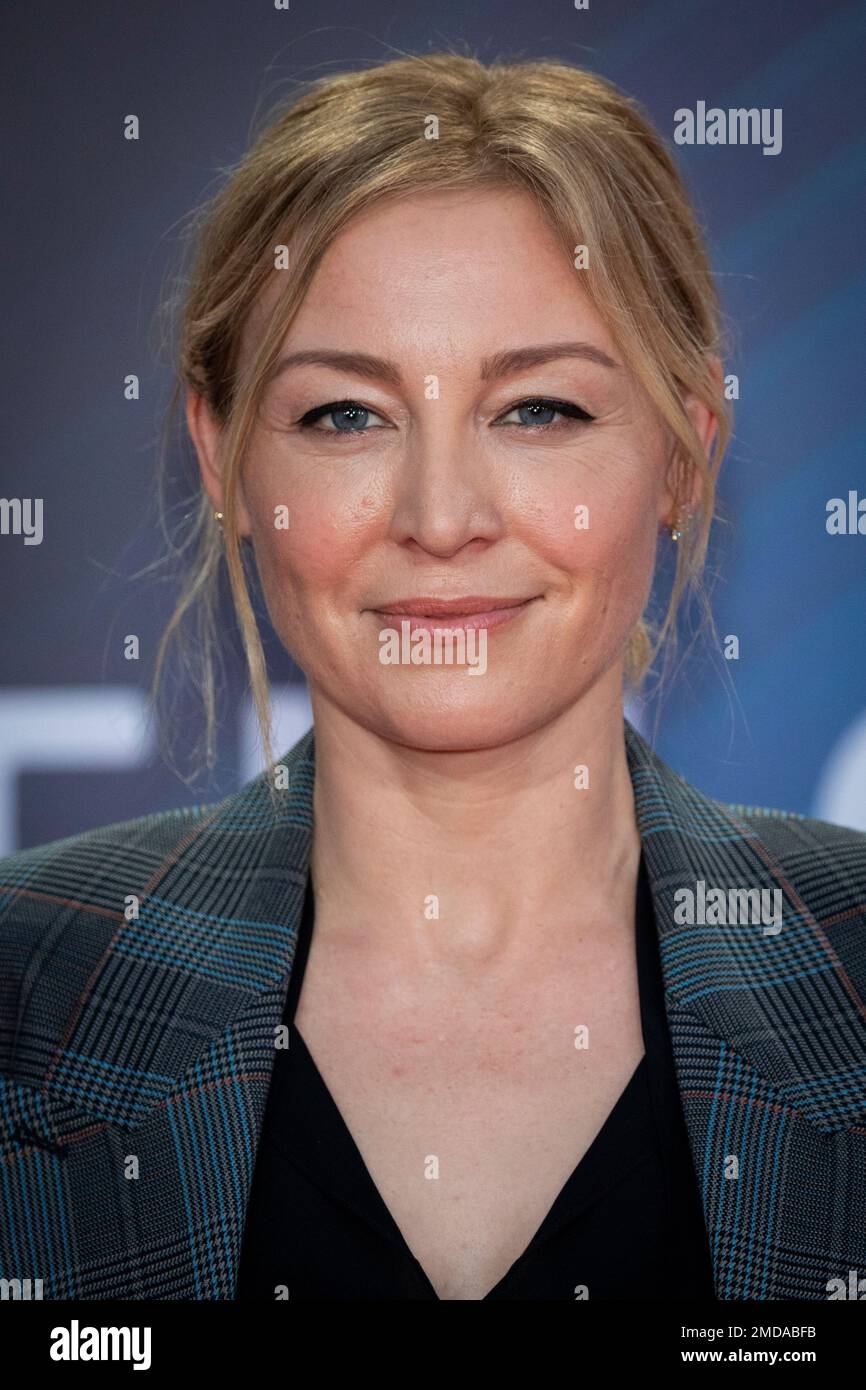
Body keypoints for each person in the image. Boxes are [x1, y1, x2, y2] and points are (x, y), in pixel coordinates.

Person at [1, 52, 865, 1303]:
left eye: (538, 411)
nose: (440, 514)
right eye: (345, 416)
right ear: (224, 457)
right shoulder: (25, 984)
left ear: (683, 455)